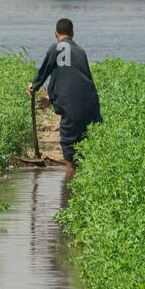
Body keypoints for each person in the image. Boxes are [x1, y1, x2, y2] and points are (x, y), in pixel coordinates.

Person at [28, 18, 102, 181]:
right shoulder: (79, 51)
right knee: (83, 140)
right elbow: (65, 76)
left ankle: (70, 177)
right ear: (73, 33)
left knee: (68, 142)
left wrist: (34, 86)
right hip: (91, 103)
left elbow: (48, 71)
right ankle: (82, 177)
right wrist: (50, 98)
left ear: (56, 34)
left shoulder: (60, 47)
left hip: (73, 105)